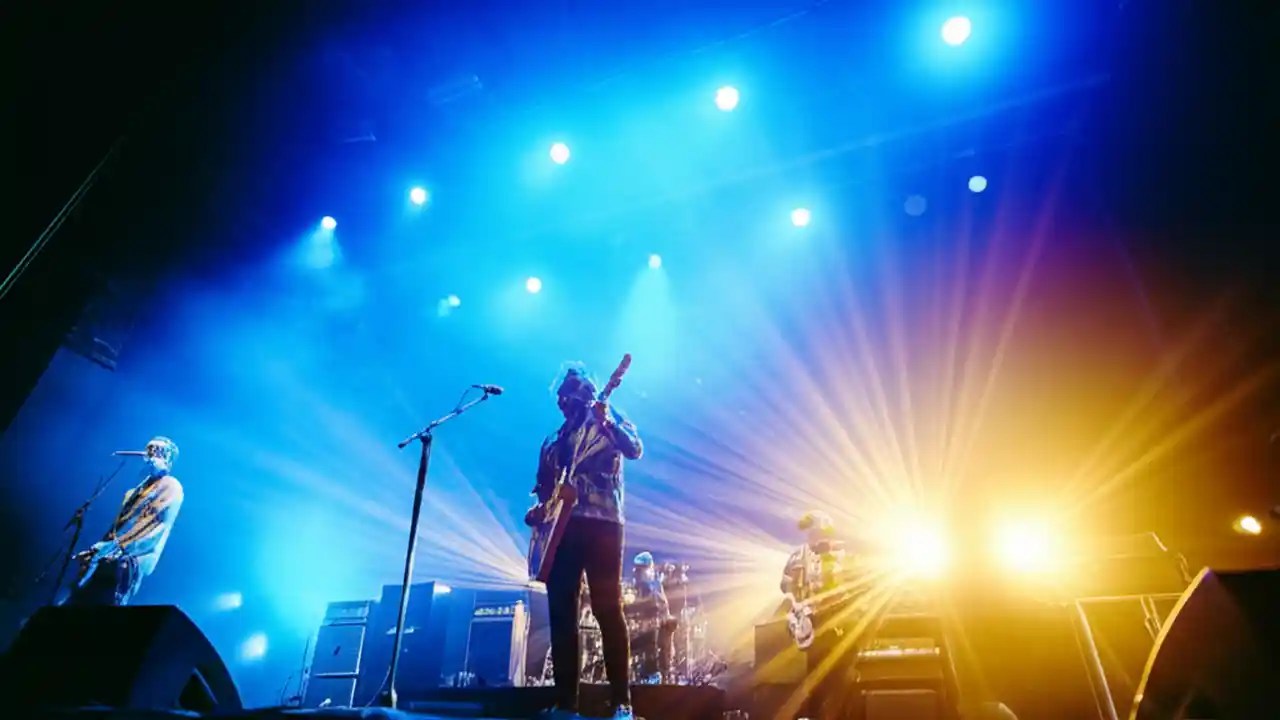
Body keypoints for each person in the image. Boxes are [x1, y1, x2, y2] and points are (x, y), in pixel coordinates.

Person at [534, 365, 643, 720]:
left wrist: (608, 421)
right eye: (565, 394)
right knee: (562, 613)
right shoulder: (552, 440)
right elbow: (542, 489)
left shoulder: (607, 419)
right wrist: (537, 510)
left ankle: (621, 703)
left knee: (608, 610)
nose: (569, 399)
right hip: (561, 531)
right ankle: (566, 703)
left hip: (603, 524)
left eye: (577, 392)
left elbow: (635, 449)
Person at [68, 436, 184, 606]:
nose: (151, 455)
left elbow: (151, 528)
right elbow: (119, 525)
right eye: (150, 450)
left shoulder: (171, 486)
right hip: (107, 559)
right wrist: (97, 550)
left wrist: (113, 548)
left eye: (158, 451)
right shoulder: (136, 489)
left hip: (126, 563)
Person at [780, 510, 850, 720]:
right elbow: (786, 587)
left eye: (821, 533)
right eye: (813, 533)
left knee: (837, 683)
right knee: (811, 687)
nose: (817, 537)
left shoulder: (839, 556)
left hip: (835, 626)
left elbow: (847, 588)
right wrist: (795, 610)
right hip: (808, 628)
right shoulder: (798, 556)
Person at [629, 552, 676, 683]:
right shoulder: (640, 586)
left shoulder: (653, 587)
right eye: (637, 570)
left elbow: (657, 607)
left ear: (649, 569)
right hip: (645, 631)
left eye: (640, 570)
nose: (637, 574)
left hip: (654, 632)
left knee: (650, 644)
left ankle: (653, 673)